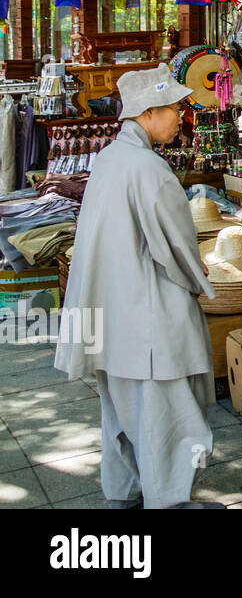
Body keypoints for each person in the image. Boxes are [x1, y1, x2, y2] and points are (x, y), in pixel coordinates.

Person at [54, 64, 223, 509]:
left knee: (121, 415)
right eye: (175, 109)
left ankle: (124, 493)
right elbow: (176, 247)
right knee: (168, 415)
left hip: (110, 315)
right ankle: (168, 500)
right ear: (148, 113)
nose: (181, 118)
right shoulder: (148, 168)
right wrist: (200, 280)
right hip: (147, 317)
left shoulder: (110, 159)